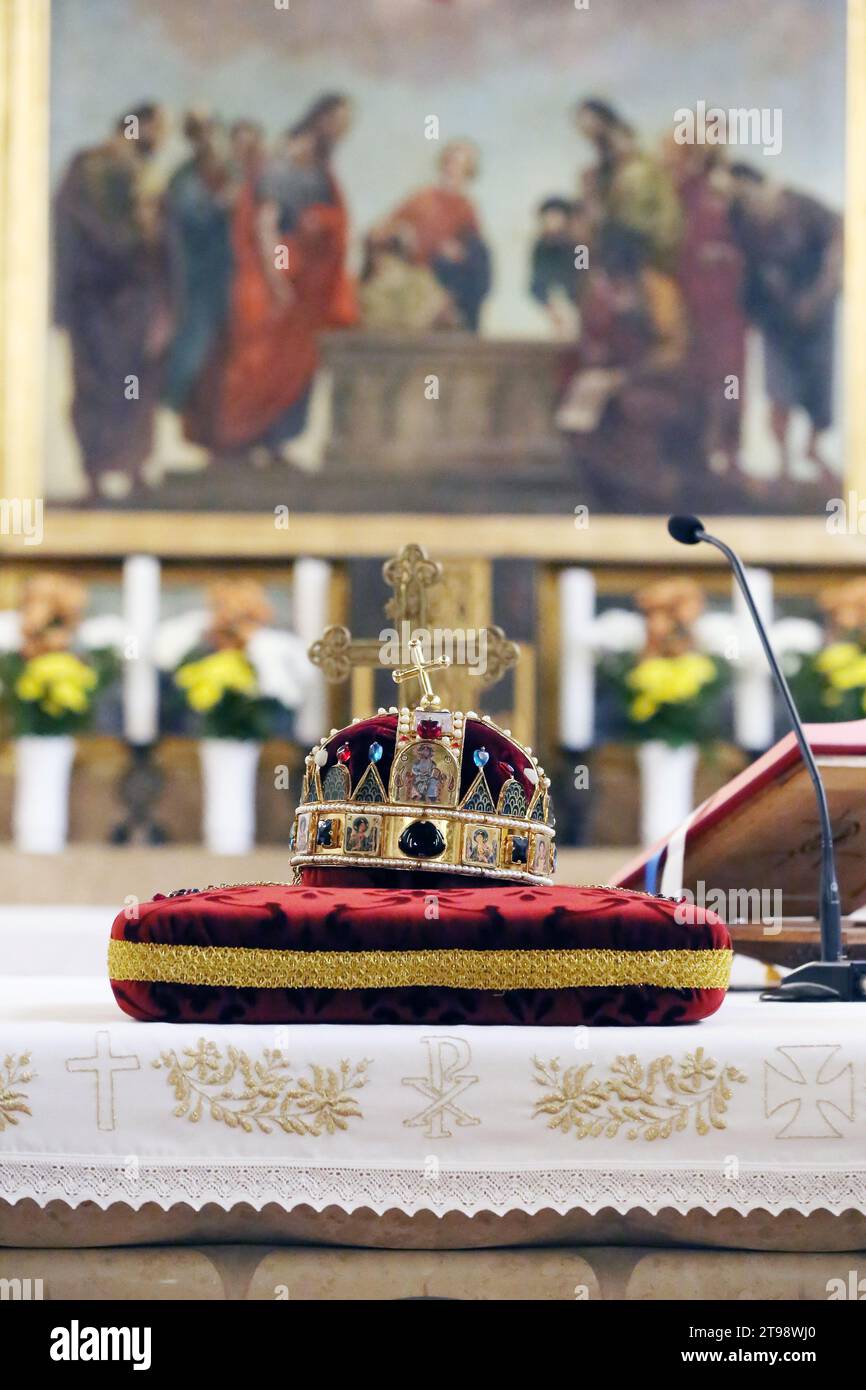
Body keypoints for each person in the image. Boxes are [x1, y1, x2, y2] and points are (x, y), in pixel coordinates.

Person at [213, 93, 358, 459]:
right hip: (280, 276)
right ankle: (243, 441)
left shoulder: (321, 168)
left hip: (307, 284)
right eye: (338, 120)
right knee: (262, 362)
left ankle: (278, 442)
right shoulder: (286, 162)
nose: (343, 130)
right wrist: (277, 278)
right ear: (319, 120)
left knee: (299, 363)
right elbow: (268, 228)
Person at [53, 104, 171, 499]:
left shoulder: (146, 174)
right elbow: (75, 231)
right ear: (137, 127)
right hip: (96, 301)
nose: (162, 138)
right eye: (158, 129)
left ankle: (133, 466)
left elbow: (163, 244)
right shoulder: (88, 168)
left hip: (136, 302)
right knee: (96, 386)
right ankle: (96, 473)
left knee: (135, 386)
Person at [721, 162, 842, 482]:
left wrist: (822, 291)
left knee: (819, 388)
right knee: (779, 390)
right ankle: (783, 462)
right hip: (777, 316)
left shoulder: (799, 205)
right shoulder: (739, 218)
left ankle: (813, 449)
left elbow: (839, 236)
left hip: (816, 309)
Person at [664, 139, 746, 473]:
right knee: (696, 373)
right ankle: (697, 451)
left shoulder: (733, 186)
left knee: (730, 377)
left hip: (729, 302)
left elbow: (749, 237)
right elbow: (672, 237)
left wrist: (729, 256)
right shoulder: (685, 187)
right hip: (692, 297)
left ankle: (728, 451)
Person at [160, 113, 235, 460]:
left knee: (225, 360)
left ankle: (224, 439)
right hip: (195, 280)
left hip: (229, 280)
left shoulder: (232, 174)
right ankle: (192, 437)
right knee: (196, 355)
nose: (210, 141)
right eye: (202, 135)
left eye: (214, 134)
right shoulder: (184, 179)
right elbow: (187, 220)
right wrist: (221, 206)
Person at [373, 140, 491, 330]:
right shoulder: (422, 198)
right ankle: (446, 312)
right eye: (451, 164)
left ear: (469, 172)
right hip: (418, 268)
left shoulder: (467, 207)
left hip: (447, 273)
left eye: (463, 167)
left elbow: (472, 249)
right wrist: (405, 237)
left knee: (479, 254)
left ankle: (464, 322)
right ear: (443, 165)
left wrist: (458, 251)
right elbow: (382, 230)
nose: (455, 171)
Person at [574, 98, 682, 272]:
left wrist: (661, 255)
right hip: (608, 257)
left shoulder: (648, 170)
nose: (618, 146)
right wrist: (583, 269)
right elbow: (585, 234)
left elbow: (667, 216)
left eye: (623, 139)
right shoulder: (593, 177)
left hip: (646, 255)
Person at [529, 196, 591, 338]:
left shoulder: (580, 247)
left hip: (574, 305)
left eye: (556, 217)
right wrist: (550, 308)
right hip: (548, 305)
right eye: (548, 217)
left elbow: (583, 277)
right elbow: (536, 281)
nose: (552, 222)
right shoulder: (540, 247)